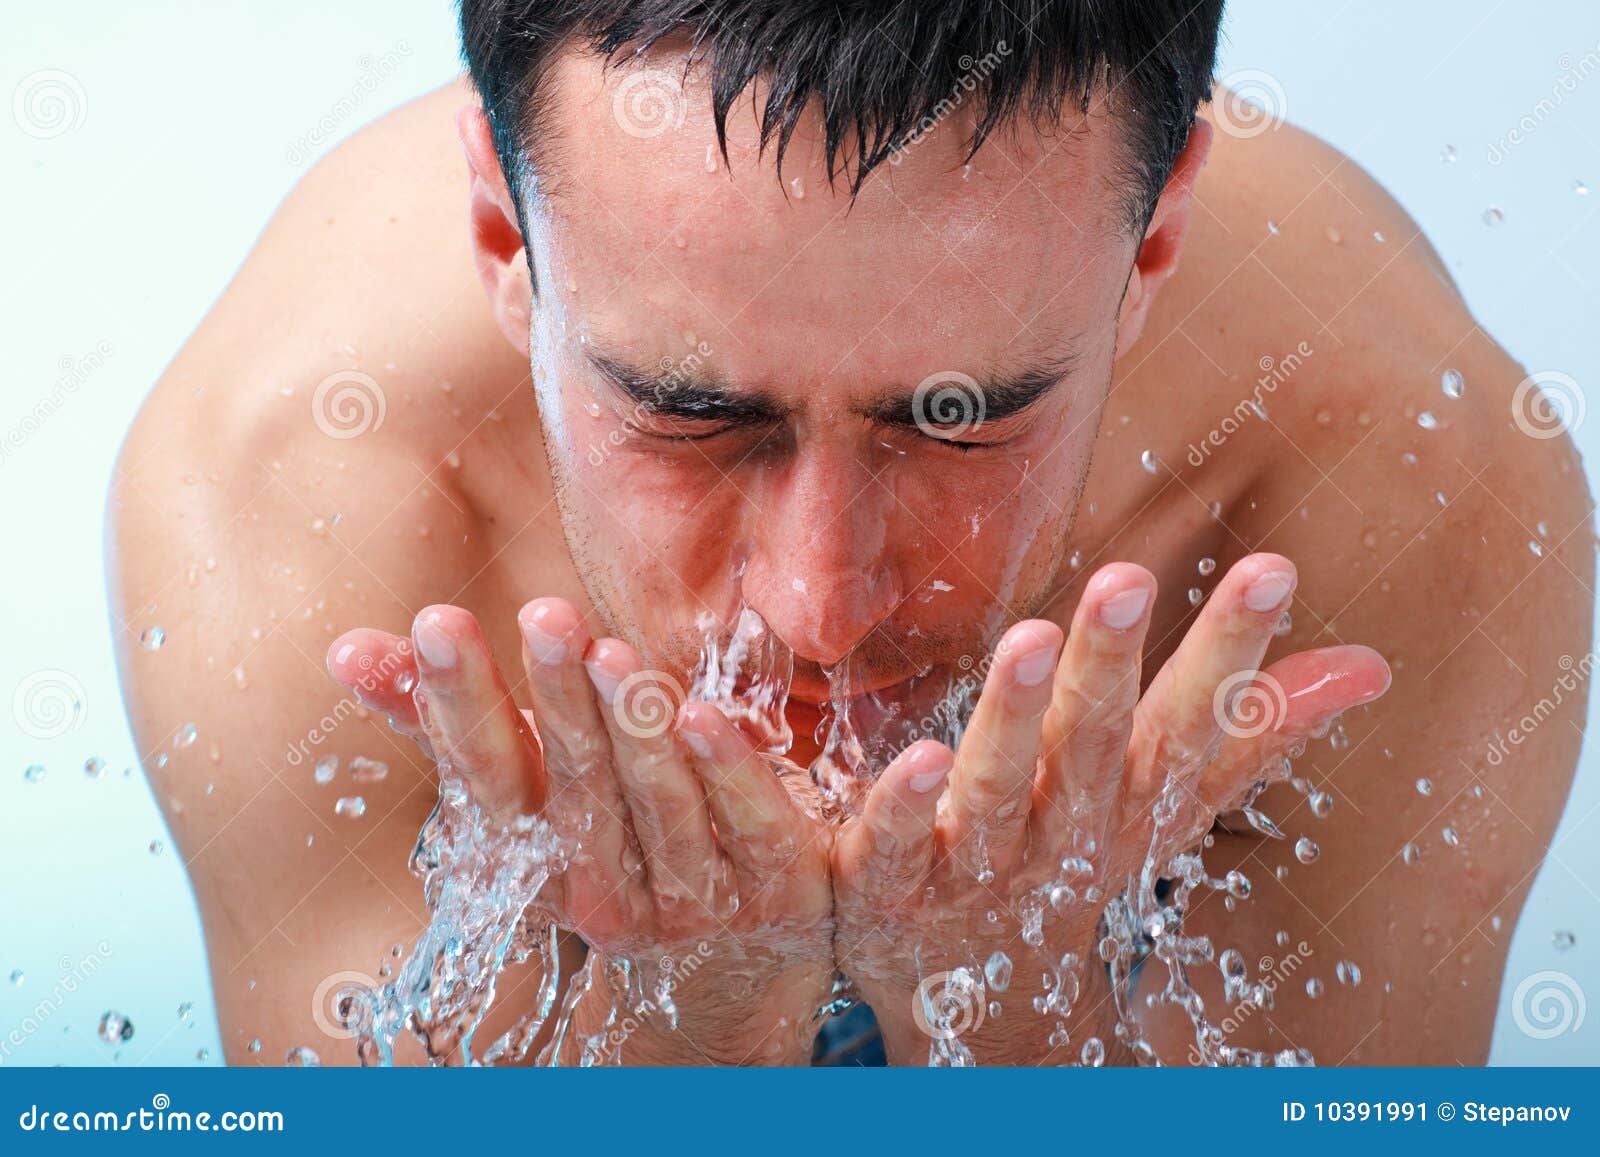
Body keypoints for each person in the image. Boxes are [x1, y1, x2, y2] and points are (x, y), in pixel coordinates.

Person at [110, 1, 1593, 1066]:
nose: (824, 603)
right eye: (692, 414)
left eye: (959, 419)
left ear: (1151, 245)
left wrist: (1012, 1030)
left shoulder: (1396, 482)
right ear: (505, 242)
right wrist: (683, 1036)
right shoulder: (297, 490)